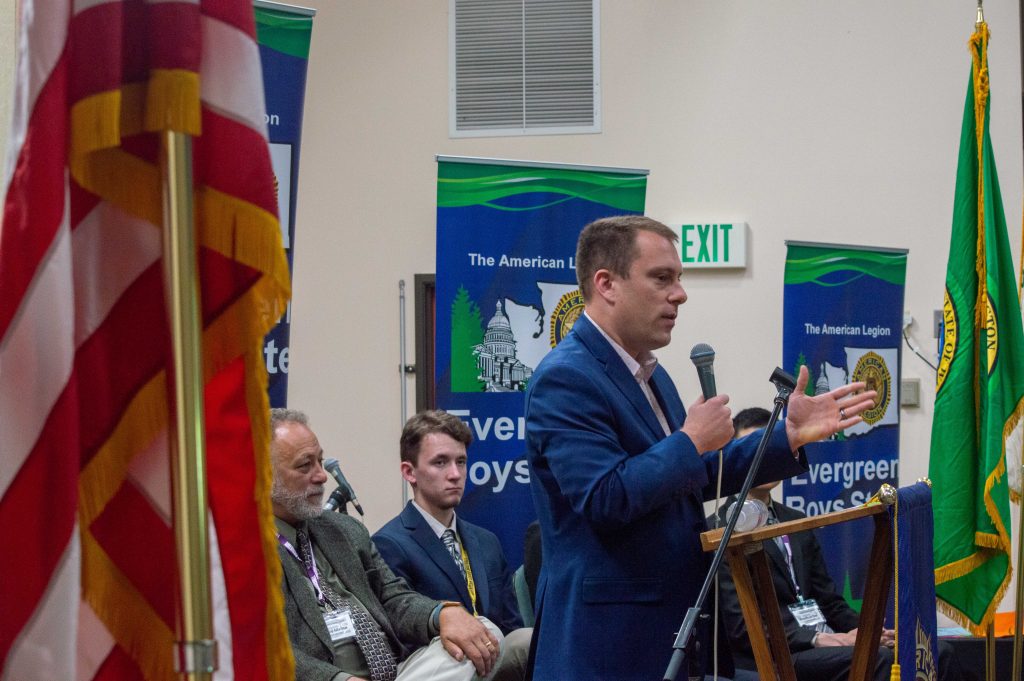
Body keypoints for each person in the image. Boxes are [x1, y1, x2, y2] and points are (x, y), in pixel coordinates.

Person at [523, 215, 878, 681]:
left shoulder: (652, 374)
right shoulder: (566, 377)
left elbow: (693, 477)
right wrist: (689, 441)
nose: (680, 294)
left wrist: (786, 436)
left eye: (679, 279)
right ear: (606, 284)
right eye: (661, 278)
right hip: (609, 643)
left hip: (673, 631)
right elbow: (604, 497)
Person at [717, 408, 964, 681]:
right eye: (753, 450)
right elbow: (740, 628)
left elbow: (829, 601)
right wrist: (818, 639)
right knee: (878, 660)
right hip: (780, 653)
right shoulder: (719, 530)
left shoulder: (794, 519)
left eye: (770, 449)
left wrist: (869, 632)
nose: (765, 459)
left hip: (823, 639)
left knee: (933, 651)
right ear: (733, 458)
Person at [269, 408, 504, 681]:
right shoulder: (245, 551)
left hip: (398, 674)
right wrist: (337, 679)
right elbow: (265, 649)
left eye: (320, 461)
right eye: (304, 465)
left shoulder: (344, 530)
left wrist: (440, 614)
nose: (322, 476)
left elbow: (394, 599)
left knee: (483, 632)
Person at [373, 410, 532, 681]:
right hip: (442, 667)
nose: (455, 474)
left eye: (461, 461)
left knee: (530, 640)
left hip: (495, 667)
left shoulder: (486, 541)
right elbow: (400, 637)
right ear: (409, 472)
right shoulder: (388, 544)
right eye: (440, 463)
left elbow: (511, 625)